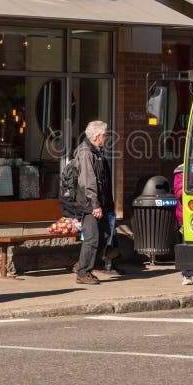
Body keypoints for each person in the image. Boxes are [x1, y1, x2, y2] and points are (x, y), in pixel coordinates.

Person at [70, 120, 116, 285]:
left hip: (99, 202)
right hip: (88, 203)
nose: (106, 137)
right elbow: (88, 180)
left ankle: (82, 265)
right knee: (92, 238)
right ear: (97, 136)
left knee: (104, 235)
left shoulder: (97, 151)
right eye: (105, 135)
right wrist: (95, 205)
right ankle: (83, 272)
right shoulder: (85, 152)